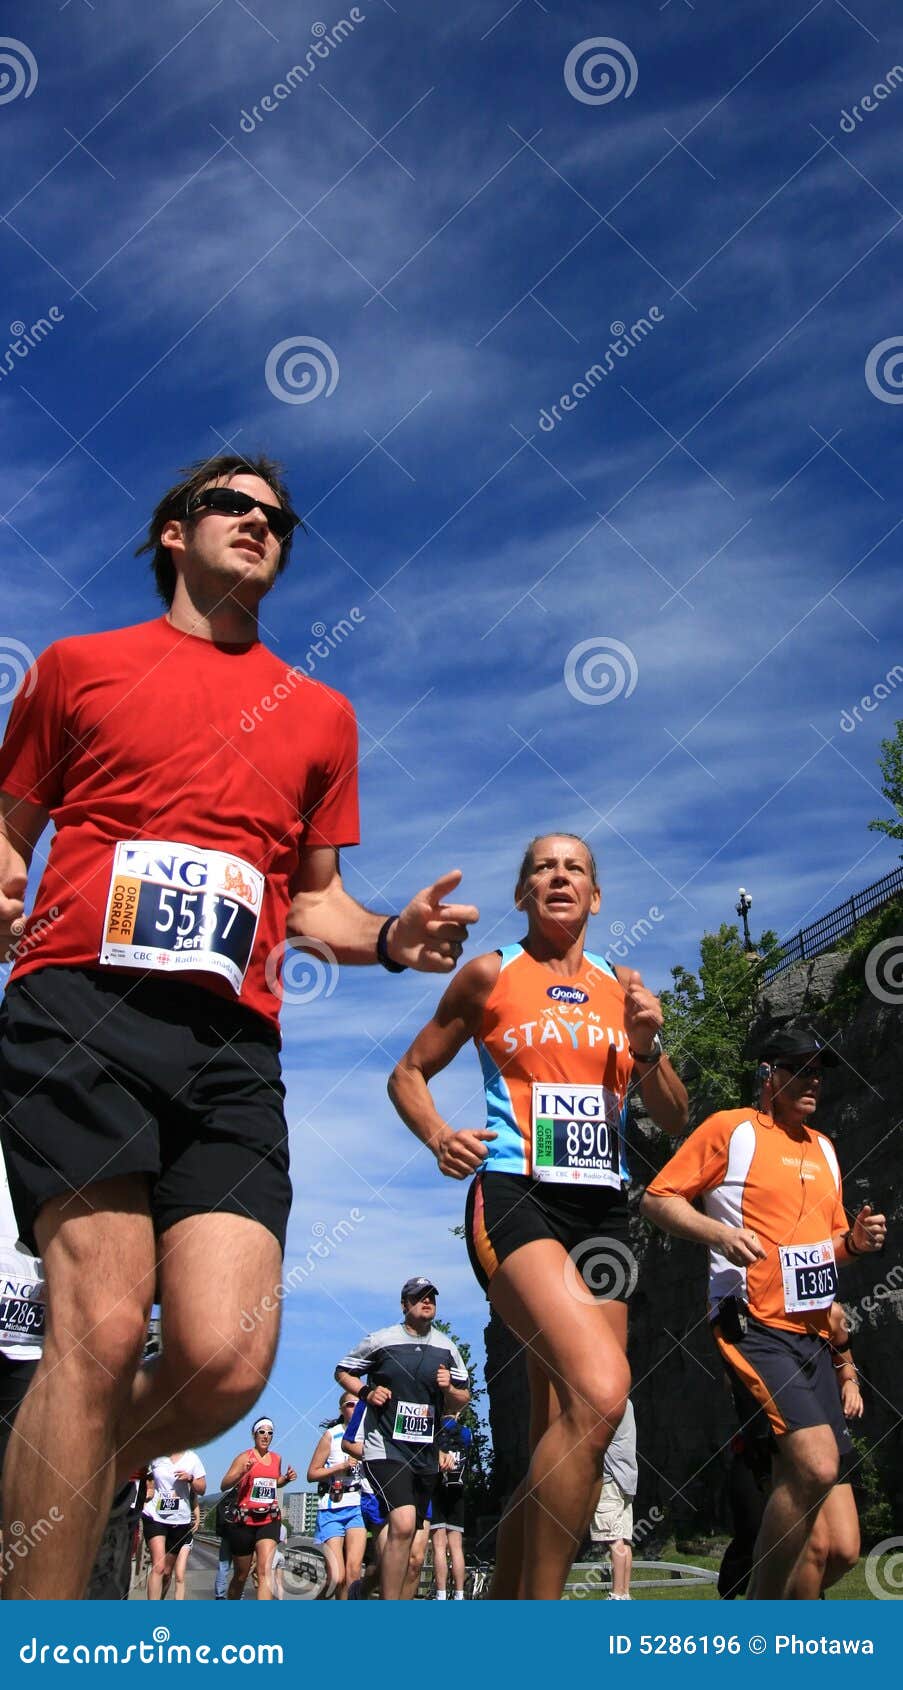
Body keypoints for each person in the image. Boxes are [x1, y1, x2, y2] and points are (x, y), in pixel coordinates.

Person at [0, 450, 479, 1598]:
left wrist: (392, 937)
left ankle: (41, 1479)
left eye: (280, 517)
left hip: (230, 1049)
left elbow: (315, 903)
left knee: (223, 1358)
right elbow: (10, 830)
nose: (261, 523)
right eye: (233, 504)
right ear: (175, 530)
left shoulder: (319, 715)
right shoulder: (77, 669)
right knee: (100, 1329)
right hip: (81, 1006)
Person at [388, 834, 688, 1599]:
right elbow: (409, 1072)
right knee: (601, 1390)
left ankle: (502, 1612)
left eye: (574, 867)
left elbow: (674, 1116)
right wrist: (438, 1135)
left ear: (596, 896)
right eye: (542, 868)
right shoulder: (491, 974)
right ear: (523, 893)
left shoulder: (622, 987)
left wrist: (648, 1047)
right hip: (515, 1194)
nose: (558, 876)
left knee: (573, 1427)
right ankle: (539, 1628)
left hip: (602, 1212)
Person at [641, 1024, 886, 1600]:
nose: (813, 1081)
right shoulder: (732, 1129)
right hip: (752, 1325)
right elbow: (657, 1198)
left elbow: (828, 1246)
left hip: (814, 1337)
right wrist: (720, 1235)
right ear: (767, 1074)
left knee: (840, 1547)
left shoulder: (825, 1149)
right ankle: (760, 1627)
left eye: (819, 1072)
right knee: (815, 1466)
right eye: (800, 1070)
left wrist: (854, 1244)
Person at [335, 1278, 470, 1600]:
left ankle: (371, 1593)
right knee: (404, 1523)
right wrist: (367, 1392)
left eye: (431, 1297)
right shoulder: (381, 1341)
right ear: (404, 1304)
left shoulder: (446, 1348)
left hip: (424, 1455)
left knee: (415, 1555)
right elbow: (342, 1371)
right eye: (419, 1297)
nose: (427, 1301)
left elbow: (462, 1398)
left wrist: (449, 1389)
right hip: (385, 1448)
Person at [718, 1301, 863, 1600]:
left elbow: (842, 1349)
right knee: (814, 1547)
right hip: (784, 1430)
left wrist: (850, 1381)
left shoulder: (827, 1311)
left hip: (830, 1422)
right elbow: (731, 1379)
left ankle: (770, 1597)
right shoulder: (752, 1322)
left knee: (845, 1551)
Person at [220, 1415, 296, 1600]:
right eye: (262, 1432)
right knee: (241, 1575)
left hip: (269, 1519)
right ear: (254, 1434)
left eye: (270, 1433)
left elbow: (273, 1482)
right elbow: (224, 1485)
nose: (266, 1436)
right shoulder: (244, 1457)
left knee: (265, 1572)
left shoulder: (276, 1458)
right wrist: (242, 1472)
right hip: (244, 1521)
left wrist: (285, 1479)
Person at [307, 1394, 366, 1600]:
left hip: (357, 1506)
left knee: (353, 1573)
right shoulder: (331, 1436)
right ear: (341, 1409)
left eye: (359, 1405)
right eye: (350, 1404)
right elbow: (311, 1474)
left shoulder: (368, 1435)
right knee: (337, 1577)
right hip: (332, 1508)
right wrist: (340, 1467)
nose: (355, 1408)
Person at [142, 1448, 206, 1600]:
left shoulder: (192, 1458)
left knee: (166, 1572)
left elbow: (202, 1489)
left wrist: (190, 1478)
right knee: (158, 1566)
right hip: (155, 1516)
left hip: (179, 1520)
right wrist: (148, 1489)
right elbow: (144, 1476)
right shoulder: (156, 1455)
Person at [589, 1396, 637, 1600]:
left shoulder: (608, 1401)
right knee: (623, 1540)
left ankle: (617, 1595)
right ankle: (624, 1594)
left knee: (614, 1539)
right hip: (626, 1478)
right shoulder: (627, 1403)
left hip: (610, 1480)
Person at [213, 1485, 238, 1600]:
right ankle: (238, 1595)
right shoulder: (244, 1496)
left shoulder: (225, 1498)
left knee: (223, 1567)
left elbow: (219, 1517)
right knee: (240, 1570)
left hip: (226, 1536)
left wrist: (220, 1533)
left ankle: (220, 1595)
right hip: (241, 1536)